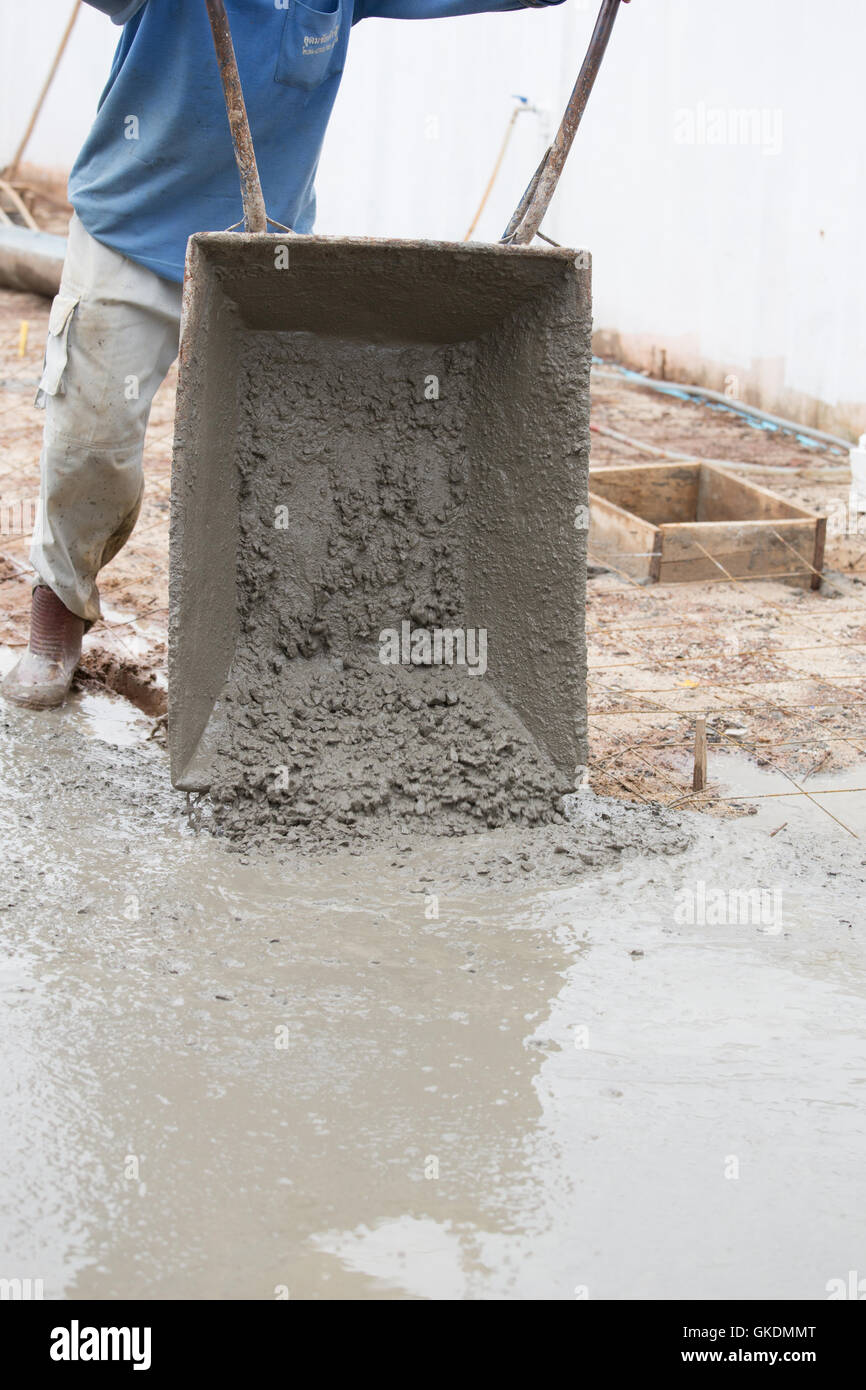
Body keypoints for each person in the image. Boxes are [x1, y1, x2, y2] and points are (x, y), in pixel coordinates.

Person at [2, 0, 618, 708]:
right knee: (93, 441)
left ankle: (267, 649)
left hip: (261, 253)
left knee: (274, 459)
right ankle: (57, 618)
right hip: (129, 234)